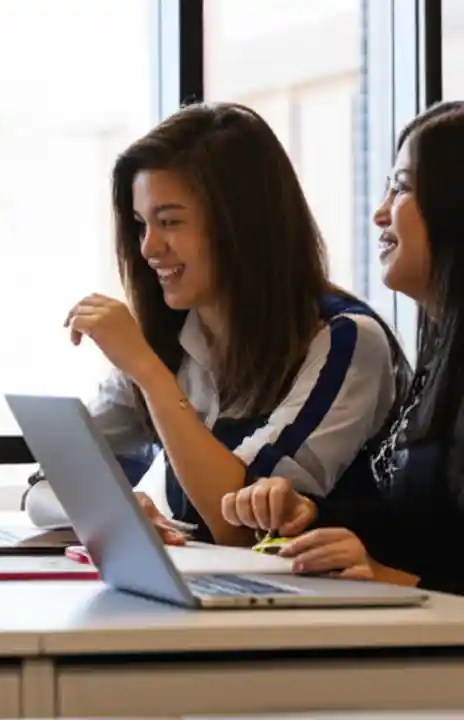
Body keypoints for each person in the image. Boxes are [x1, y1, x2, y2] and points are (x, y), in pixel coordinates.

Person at [69, 102, 407, 546]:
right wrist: (120, 508)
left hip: (308, 607)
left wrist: (148, 374)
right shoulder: (172, 334)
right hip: (210, 598)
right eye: (140, 225)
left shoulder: (345, 340)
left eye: (169, 222)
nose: (149, 248)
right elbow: (47, 487)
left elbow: (240, 523)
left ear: (239, 224)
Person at [221, 102, 464, 591]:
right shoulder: (442, 356)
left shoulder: (348, 335)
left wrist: (391, 579)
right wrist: (310, 514)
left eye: (401, 187)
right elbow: (424, 527)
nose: (380, 213)